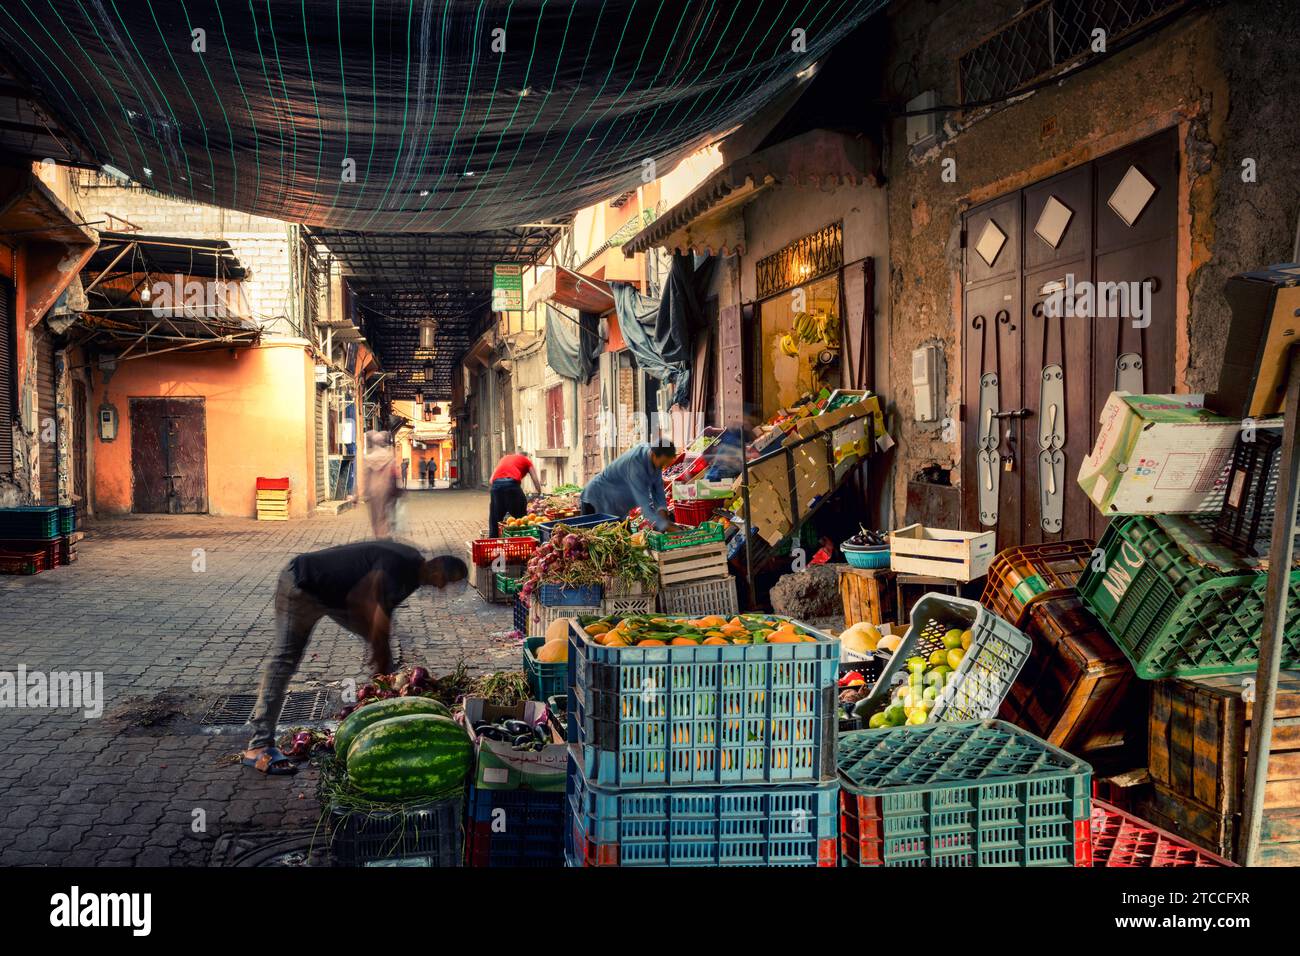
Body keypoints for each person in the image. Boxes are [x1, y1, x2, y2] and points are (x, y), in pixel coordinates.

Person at [241, 542, 468, 774]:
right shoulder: (402, 565)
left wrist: (383, 662)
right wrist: (378, 642)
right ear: (437, 564)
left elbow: (380, 609)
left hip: (334, 596)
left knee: (383, 656)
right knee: (285, 661)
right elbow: (363, 599)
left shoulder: (412, 575)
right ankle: (258, 745)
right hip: (302, 584)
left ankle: (385, 715)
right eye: (446, 579)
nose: (442, 587)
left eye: (448, 585)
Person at [580, 439, 680, 531]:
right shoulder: (636, 464)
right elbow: (643, 503)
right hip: (596, 501)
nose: (663, 467)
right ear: (653, 455)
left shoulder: (656, 461)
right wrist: (664, 525)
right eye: (663, 463)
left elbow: (658, 492)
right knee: (593, 543)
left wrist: (664, 516)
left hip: (616, 509)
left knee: (622, 544)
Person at [488, 450, 542, 536]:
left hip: (496, 486)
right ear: (525, 456)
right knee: (521, 517)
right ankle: (522, 538)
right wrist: (539, 492)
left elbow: (491, 480)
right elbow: (535, 479)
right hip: (512, 485)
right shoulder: (527, 461)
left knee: (495, 518)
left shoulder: (504, 458)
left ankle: (493, 541)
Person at [363, 430, 401, 537]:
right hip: (386, 487)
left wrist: (360, 493)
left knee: (375, 515)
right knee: (384, 513)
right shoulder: (389, 456)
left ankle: (378, 535)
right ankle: (385, 534)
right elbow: (394, 474)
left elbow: (365, 477)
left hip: (373, 489)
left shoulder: (369, 458)